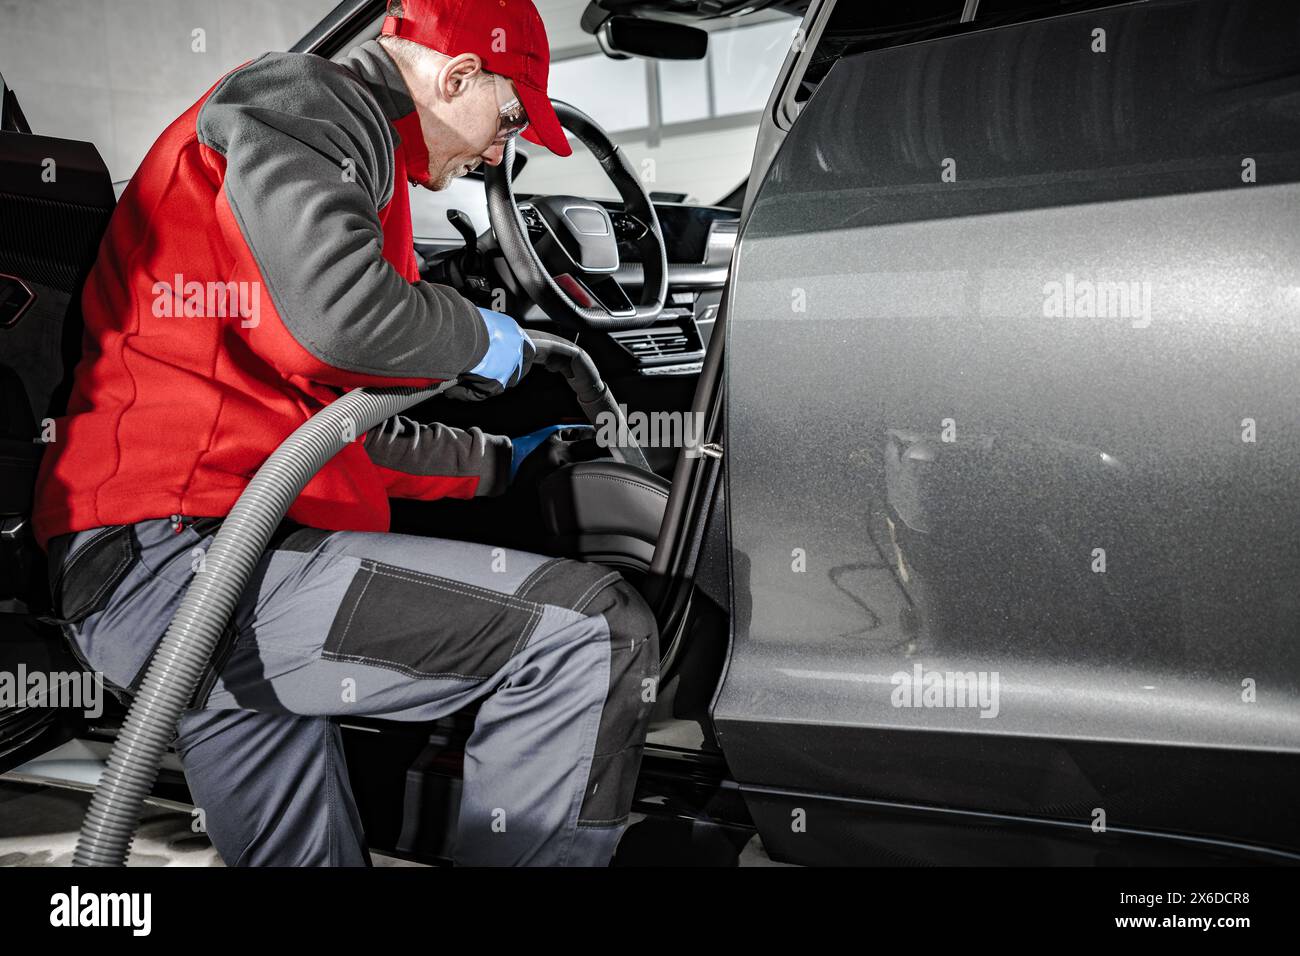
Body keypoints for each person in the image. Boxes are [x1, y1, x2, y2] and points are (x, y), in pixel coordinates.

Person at [32, 0, 658, 866]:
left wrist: (497, 462)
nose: (499, 151)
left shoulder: (363, 180)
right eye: (509, 118)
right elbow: (335, 321)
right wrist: (479, 332)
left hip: (190, 560)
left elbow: (331, 424)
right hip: (182, 559)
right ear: (458, 75)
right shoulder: (306, 100)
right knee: (589, 634)